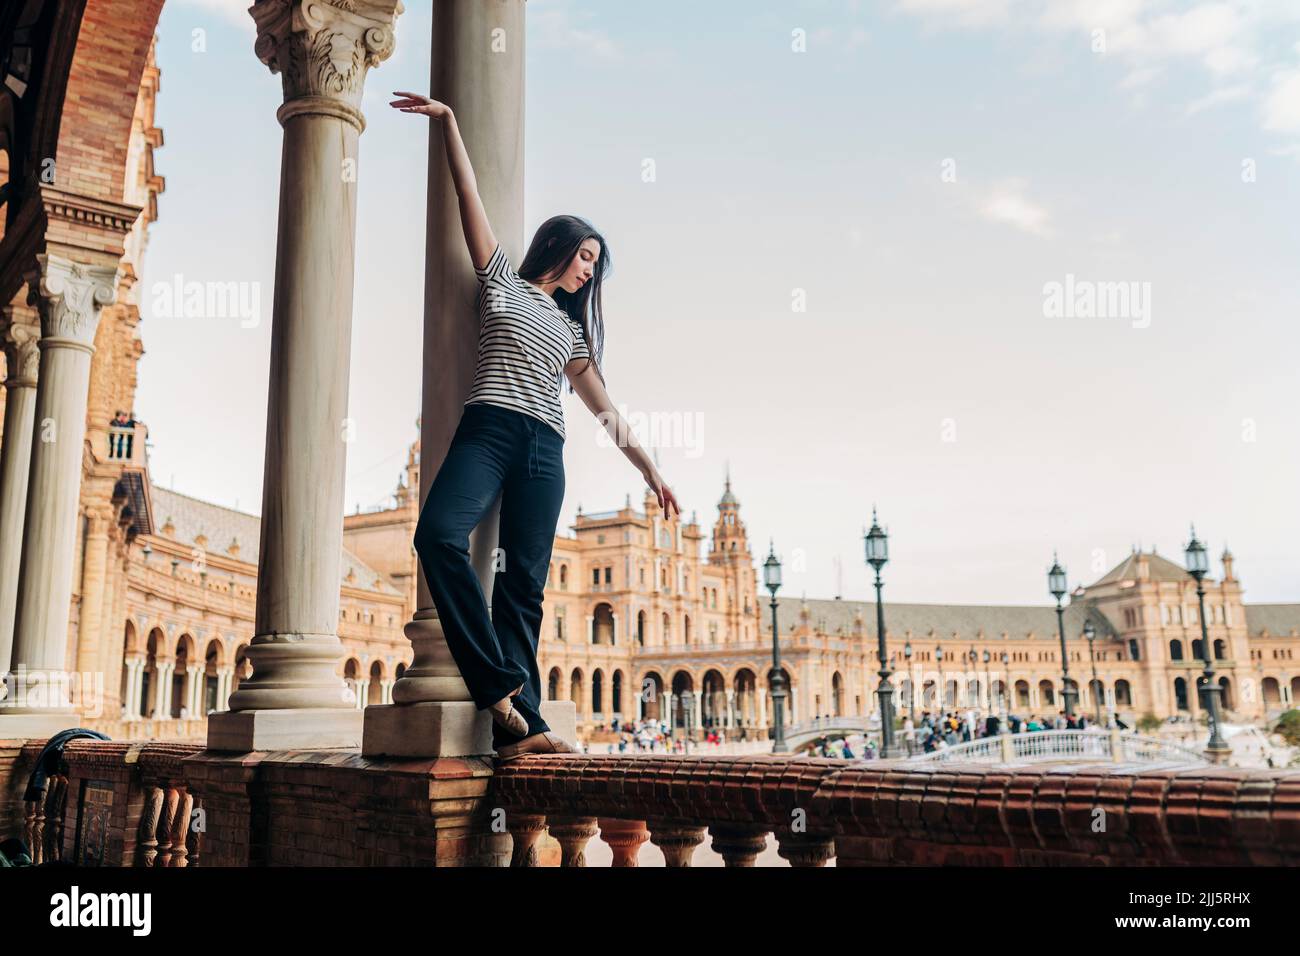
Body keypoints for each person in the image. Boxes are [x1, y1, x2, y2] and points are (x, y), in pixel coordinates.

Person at [393, 91, 682, 759]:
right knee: (437, 535)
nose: (589, 271)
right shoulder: (503, 281)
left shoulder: (573, 332)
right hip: (488, 428)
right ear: (557, 245)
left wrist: (651, 470)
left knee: (524, 583)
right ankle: (496, 684)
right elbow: (470, 200)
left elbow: (603, 406)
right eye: (585, 257)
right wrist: (451, 124)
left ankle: (519, 726)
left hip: (543, 449)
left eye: (595, 266)